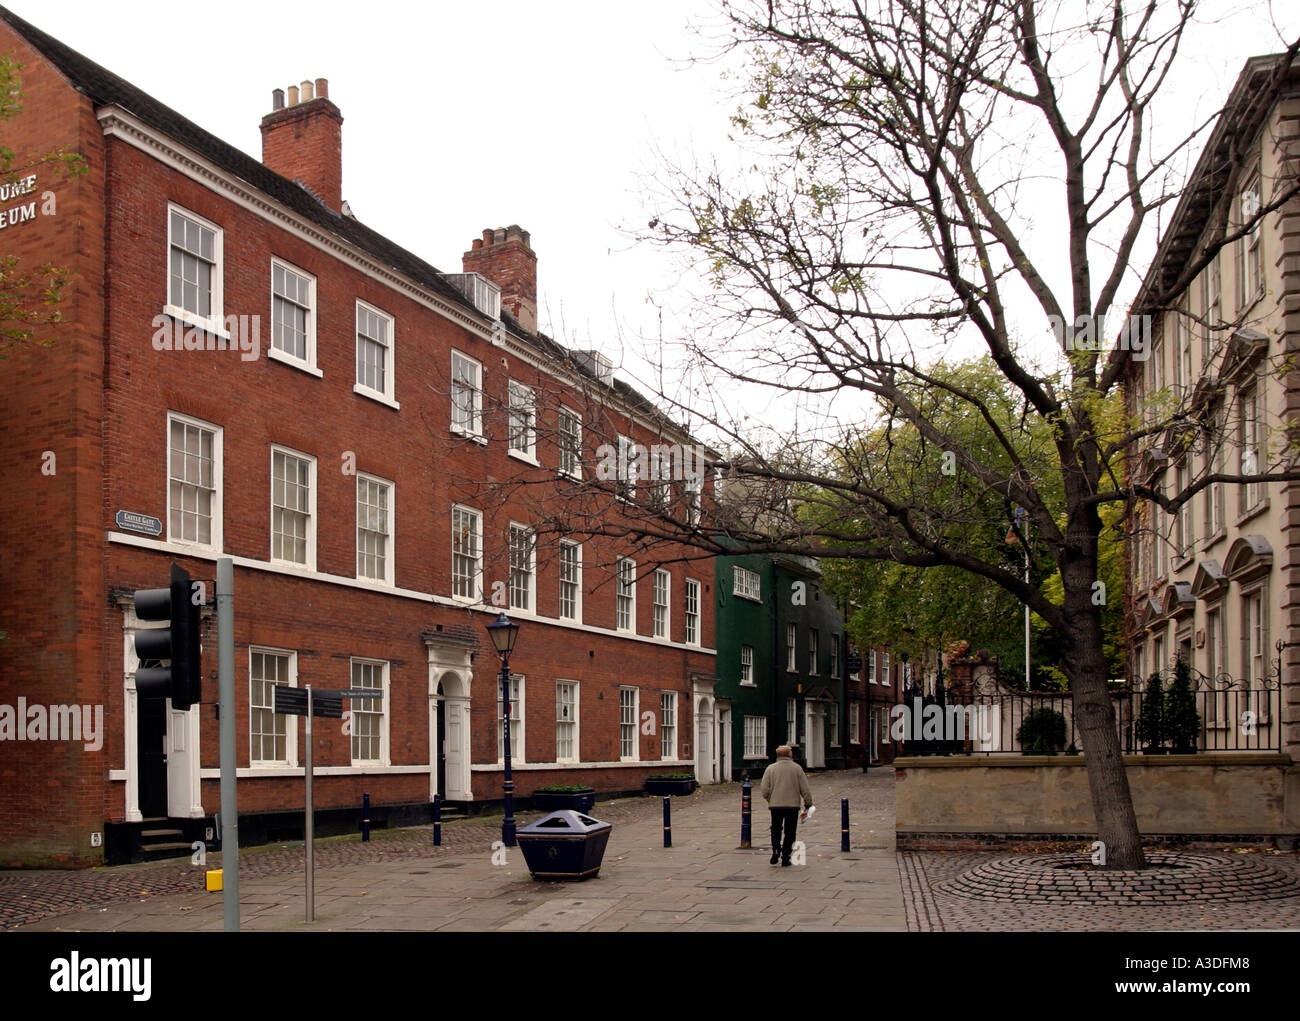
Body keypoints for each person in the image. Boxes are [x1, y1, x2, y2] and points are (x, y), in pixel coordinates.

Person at [758, 745, 813, 866]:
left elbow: (764, 789)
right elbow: (805, 789)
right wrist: (808, 803)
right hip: (792, 806)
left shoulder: (770, 768)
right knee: (790, 831)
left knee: (776, 829)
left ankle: (776, 850)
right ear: (790, 755)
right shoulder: (797, 769)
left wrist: (770, 799)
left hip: (775, 806)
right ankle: (786, 856)